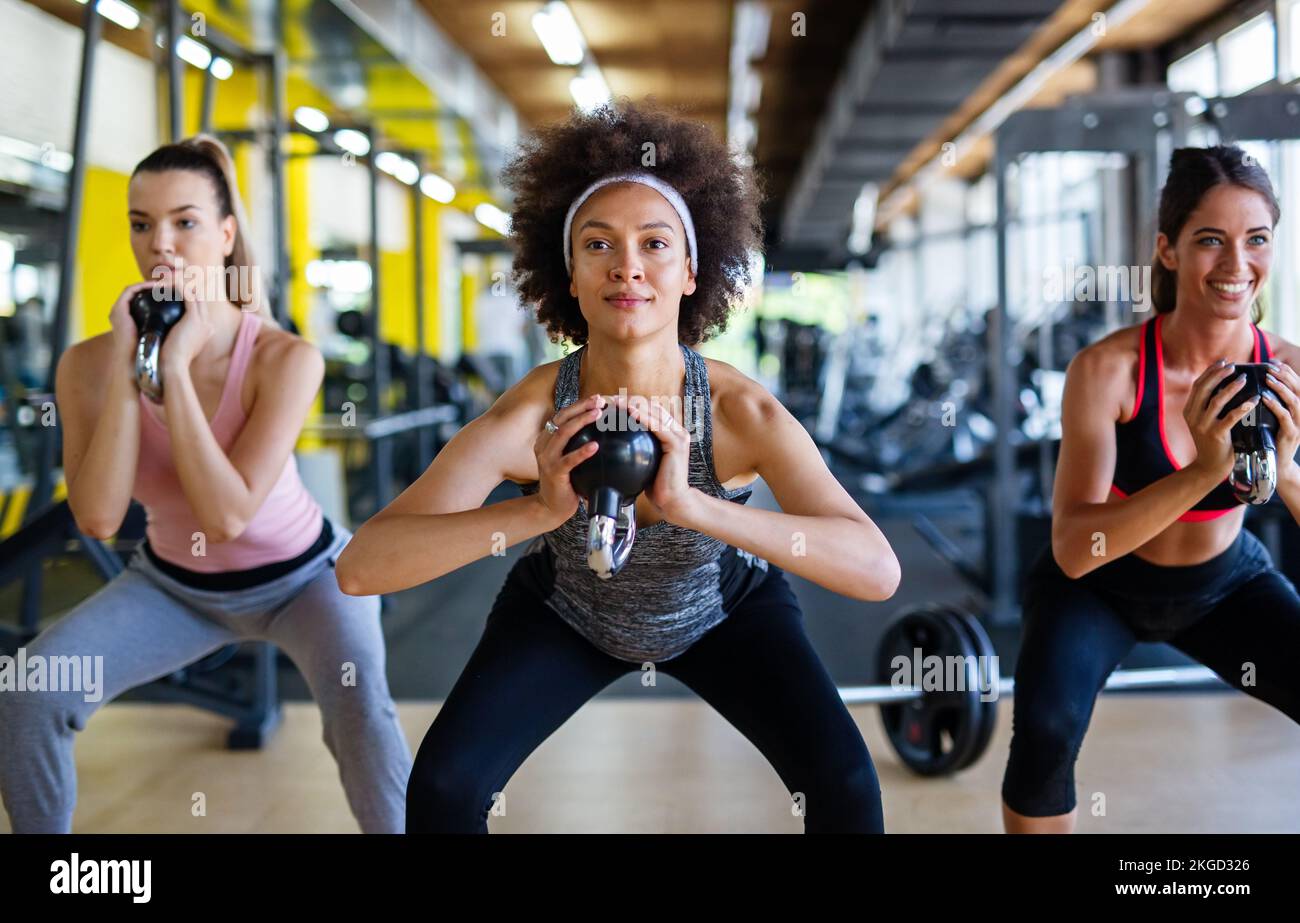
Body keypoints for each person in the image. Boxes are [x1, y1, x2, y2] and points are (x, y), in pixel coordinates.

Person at [337, 102, 901, 834]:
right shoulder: (532, 414)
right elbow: (361, 567)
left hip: (720, 609)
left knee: (848, 787)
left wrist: (697, 506)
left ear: (693, 269)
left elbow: (875, 568)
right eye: (598, 244)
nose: (627, 265)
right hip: (567, 609)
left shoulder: (738, 412)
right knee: (443, 788)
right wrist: (535, 512)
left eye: (655, 243)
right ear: (569, 275)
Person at [0, 135, 411, 834]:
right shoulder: (86, 365)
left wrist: (179, 372)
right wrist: (138, 366)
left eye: (184, 222)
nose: (160, 243)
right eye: (140, 223)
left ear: (225, 235)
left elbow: (226, 516)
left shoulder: (285, 357)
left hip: (308, 580)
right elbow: (98, 517)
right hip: (174, 588)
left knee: (361, 711)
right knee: (28, 693)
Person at [1001, 145, 1300, 833]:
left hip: (1226, 586)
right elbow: (1077, 549)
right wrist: (1200, 472)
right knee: (1044, 731)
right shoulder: (1107, 370)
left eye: (1256, 239)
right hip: (1099, 586)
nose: (1235, 265)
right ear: (1166, 250)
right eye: (1209, 241)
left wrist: (1281, 471)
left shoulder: (1287, 370)